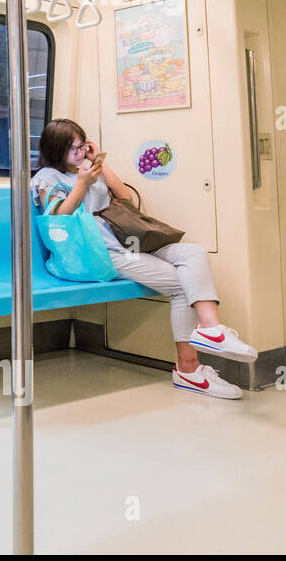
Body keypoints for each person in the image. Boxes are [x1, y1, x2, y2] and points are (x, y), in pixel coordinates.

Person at [31, 117, 257, 399]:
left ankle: (212, 329)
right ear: (56, 149)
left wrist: (97, 164)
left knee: (193, 252)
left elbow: (124, 197)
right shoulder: (47, 177)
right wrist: (82, 183)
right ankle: (189, 369)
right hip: (100, 253)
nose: (80, 152)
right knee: (178, 284)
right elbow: (58, 219)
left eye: (82, 144)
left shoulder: (89, 168)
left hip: (128, 239)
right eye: (73, 147)